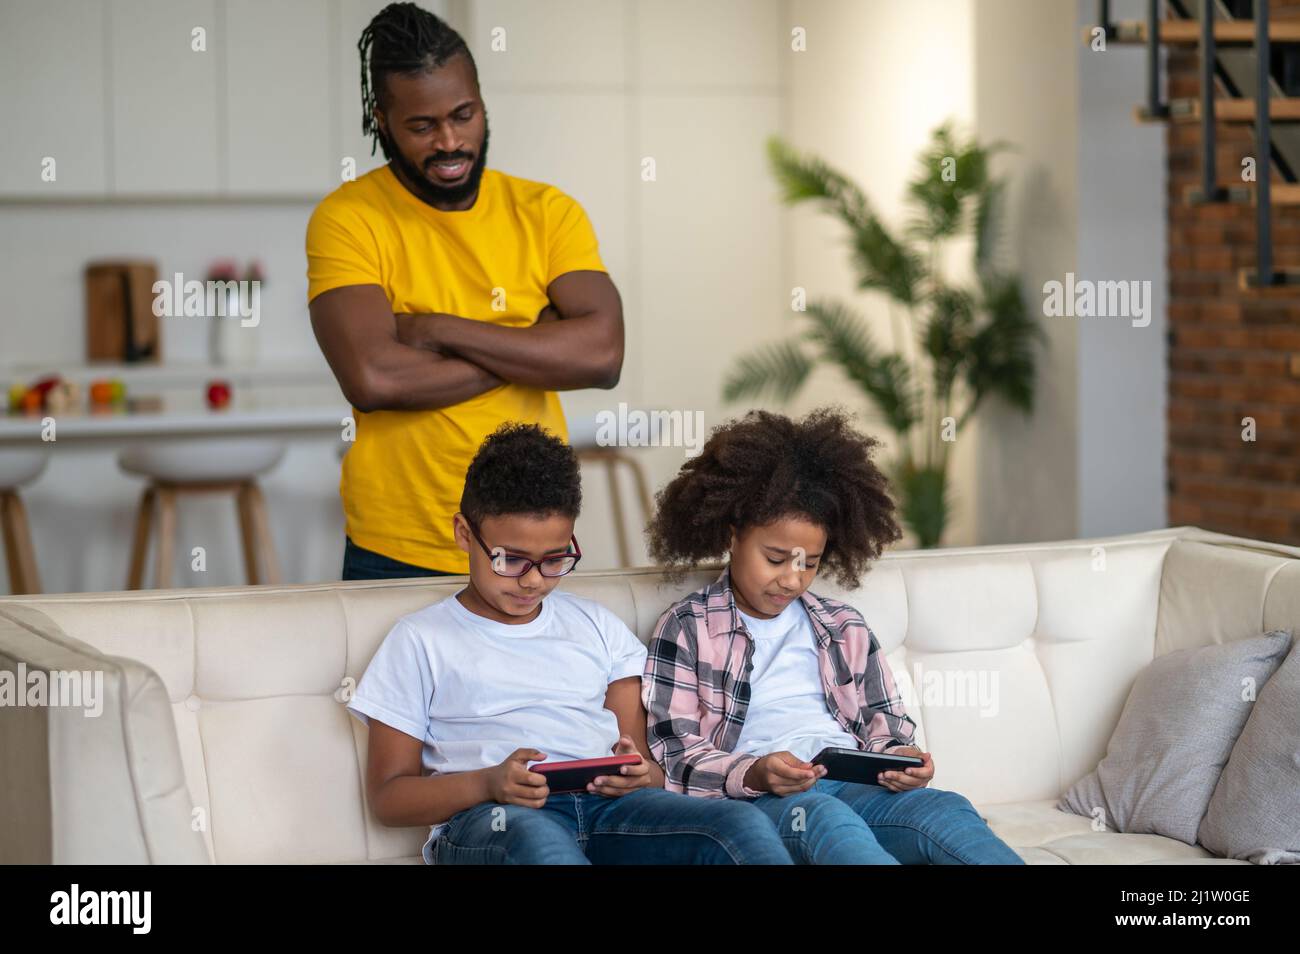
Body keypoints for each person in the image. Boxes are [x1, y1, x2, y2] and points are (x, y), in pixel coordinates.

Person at [346, 421, 791, 864]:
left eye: (554, 559)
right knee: (539, 845)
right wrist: (486, 784)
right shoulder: (420, 639)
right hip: (494, 819)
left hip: (607, 809)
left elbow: (641, 762)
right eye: (511, 559)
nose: (534, 579)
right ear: (465, 533)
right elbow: (389, 798)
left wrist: (639, 775)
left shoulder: (596, 625)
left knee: (740, 825)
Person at [307, 2, 624, 579]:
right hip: (398, 545)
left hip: (530, 544)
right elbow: (375, 379)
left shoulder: (548, 213)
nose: (450, 142)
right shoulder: (348, 219)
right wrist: (536, 347)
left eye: (464, 114)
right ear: (382, 120)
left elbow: (602, 355)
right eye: (422, 126)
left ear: (481, 104)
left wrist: (437, 330)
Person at [641, 407, 1025, 864]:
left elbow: (885, 723)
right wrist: (757, 773)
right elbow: (675, 755)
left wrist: (899, 759)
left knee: (946, 808)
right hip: (760, 802)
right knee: (825, 818)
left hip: (854, 784)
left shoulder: (844, 626)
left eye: (809, 562)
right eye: (776, 557)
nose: (792, 578)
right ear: (732, 536)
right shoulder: (687, 627)